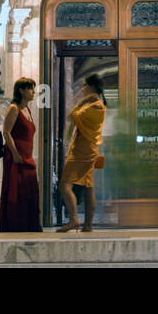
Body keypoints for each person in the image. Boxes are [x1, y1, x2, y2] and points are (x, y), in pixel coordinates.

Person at [58, 74, 106, 233]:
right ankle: (88, 225)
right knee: (87, 187)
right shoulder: (96, 105)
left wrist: (83, 100)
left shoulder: (96, 106)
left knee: (65, 185)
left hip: (82, 151)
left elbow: (73, 115)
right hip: (86, 149)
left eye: (85, 86)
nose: (83, 89)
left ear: (91, 86)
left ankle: (74, 219)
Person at [0, 77, 42, 232]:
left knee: (28, 190)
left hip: (27, 156)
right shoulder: (14, 108)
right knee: (16, 190)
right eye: (30, 88)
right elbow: (7, 132)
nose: (33, 92)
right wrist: (15, 154)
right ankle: (15, 225)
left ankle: (29, 224)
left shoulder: (27, 110)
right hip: (16, 156)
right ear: (21, 90)